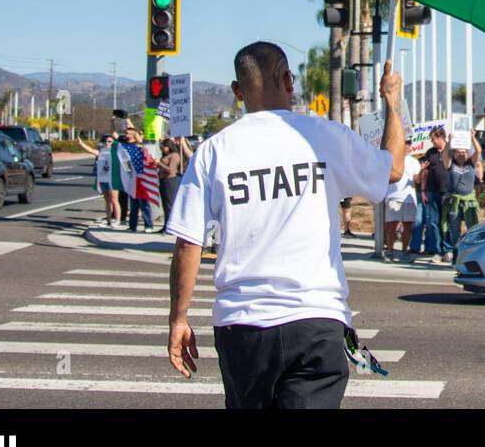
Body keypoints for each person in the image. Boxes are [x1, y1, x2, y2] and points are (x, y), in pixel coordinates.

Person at [166, 41, 405, 409]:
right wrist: (391, 100)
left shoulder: (214, 151)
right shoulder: (325, 136)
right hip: (316, 320)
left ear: (237, 91)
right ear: (289, 80)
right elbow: (392, 168)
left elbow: (188, 243)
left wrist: (178, 319)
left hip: (242, 326)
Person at [442, 135, 483, 264]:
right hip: (455, 202)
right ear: (454, 154)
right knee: (455, 231)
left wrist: (472, 137)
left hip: (469, 201)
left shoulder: (471, 163)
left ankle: (471, 257)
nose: (461, 154)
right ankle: (456, 257)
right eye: (458, 152)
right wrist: (449, 141)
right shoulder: (451, 164)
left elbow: (479, 151)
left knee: (472, 229)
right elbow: (444, 156)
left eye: (464, 152)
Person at [418, 127, 450, 262]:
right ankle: (437, 251)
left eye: (433, 139)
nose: (432, 142)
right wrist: (423, 191)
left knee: (447, 222)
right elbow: (425, 172)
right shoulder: (430, 152)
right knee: (435, 222)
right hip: (432, 191)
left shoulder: (451, 149)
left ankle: (448, 250)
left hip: (447, 192)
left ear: (441, 137)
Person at [382, 145, 419, 262]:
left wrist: (422, 173)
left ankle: (404, 251)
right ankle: (390, 251)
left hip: (409, 199)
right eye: (404, 145)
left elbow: (417, 180)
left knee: (408, 227)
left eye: (408, 145)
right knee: (391, 226)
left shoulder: (414, 162)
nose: (407, 147)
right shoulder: (390, 159)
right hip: (393, 196)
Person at [78, 134, 120, 227]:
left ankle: (117, 220)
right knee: (107, 201)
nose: (107, 143)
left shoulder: (117, 152)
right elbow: (91, 150)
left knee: (114, 200)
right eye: (106, 142)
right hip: (103, 179)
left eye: (110, 141)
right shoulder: (103, 152)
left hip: (113, 179)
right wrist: (81, 143)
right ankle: (109, 220)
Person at [157, 136, 191, 235]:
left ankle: (171, 227)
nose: (163, 148)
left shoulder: (175, 156)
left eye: (164, 147)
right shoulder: (165, 155)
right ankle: (166, 225)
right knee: (165, 205)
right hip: (163, 181)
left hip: (171, 181)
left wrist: (159, 164)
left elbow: (171, 170)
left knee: (170, 205)